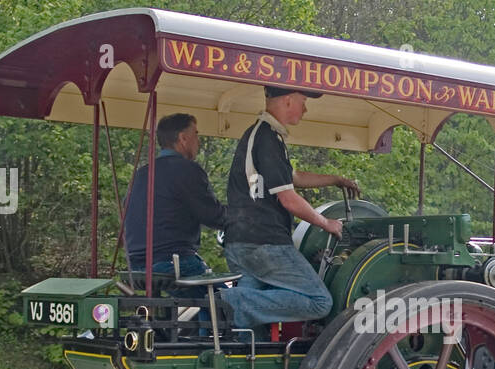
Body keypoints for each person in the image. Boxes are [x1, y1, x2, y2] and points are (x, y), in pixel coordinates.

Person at [219, 86, 358, 332]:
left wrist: (336, 179)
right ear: (288, 100)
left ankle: (231, 342)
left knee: (246, 324)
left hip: (239, 241)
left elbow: (295, 177)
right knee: (320, 302)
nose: (305, 109)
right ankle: (228, 300)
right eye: (303, 101)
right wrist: (327, 224)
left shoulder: (259, 135)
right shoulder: (268, 138)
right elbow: (288, 199)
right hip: (264, 242)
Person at [123, 113, 225, 277]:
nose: (198, 141)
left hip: (135, 267)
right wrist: (248, 218)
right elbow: (213, 216)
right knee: (228, 298)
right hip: (171, 262)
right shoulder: (187, 170)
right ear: (183, 138)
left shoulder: (141, 174)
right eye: (196, 135)